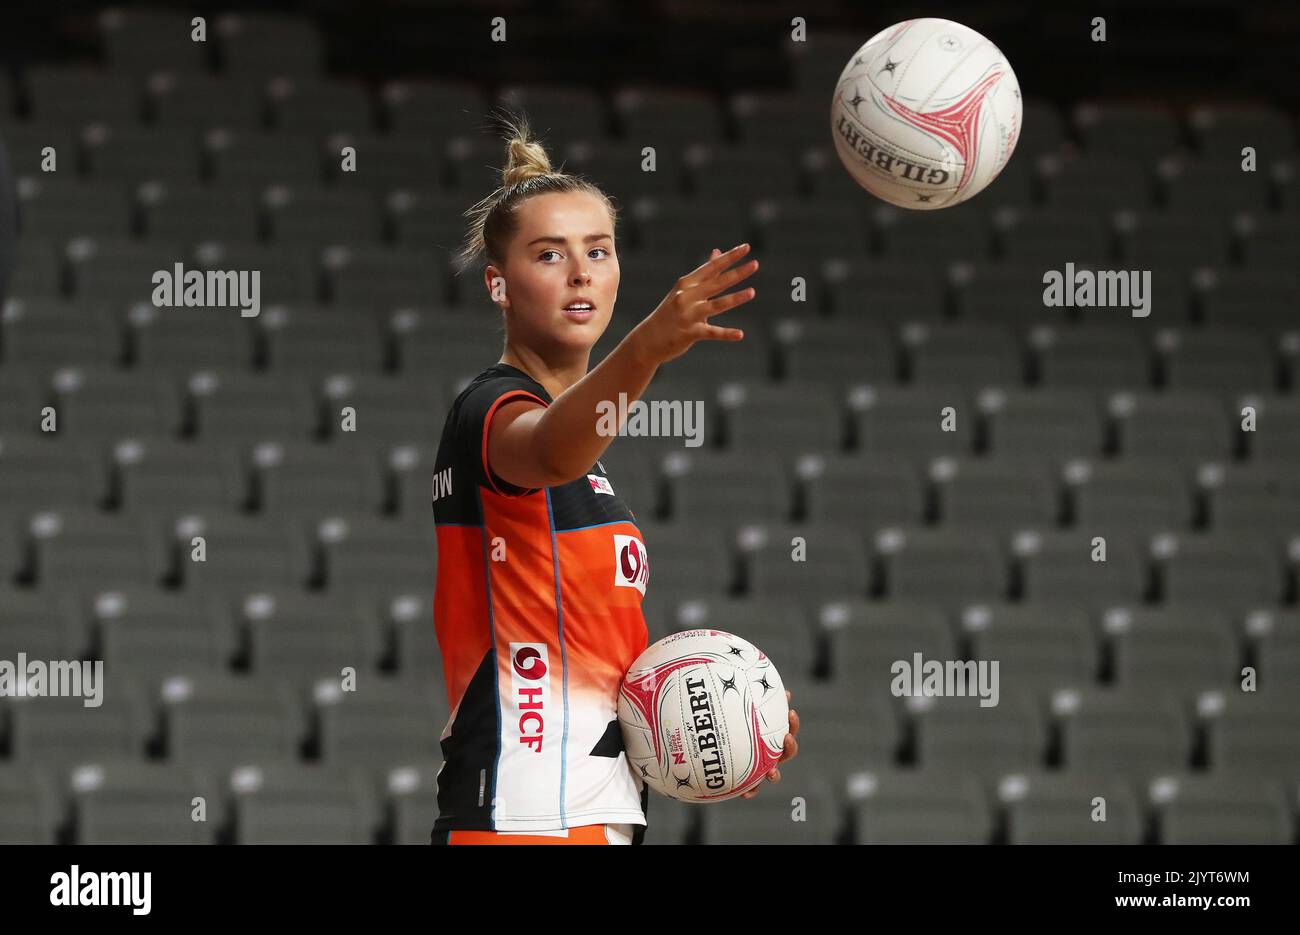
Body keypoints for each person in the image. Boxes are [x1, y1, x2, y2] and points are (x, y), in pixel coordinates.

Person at [429, 113, 799, 845]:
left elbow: (601, 664)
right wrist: (647, 350)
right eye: (549, 254)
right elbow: (550, 450)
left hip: (597, 816)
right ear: (498, 285)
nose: (580, 273)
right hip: (521, 812)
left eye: (598, 250)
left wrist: (726, 718)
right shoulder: (490, 410)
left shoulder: (589, 464)